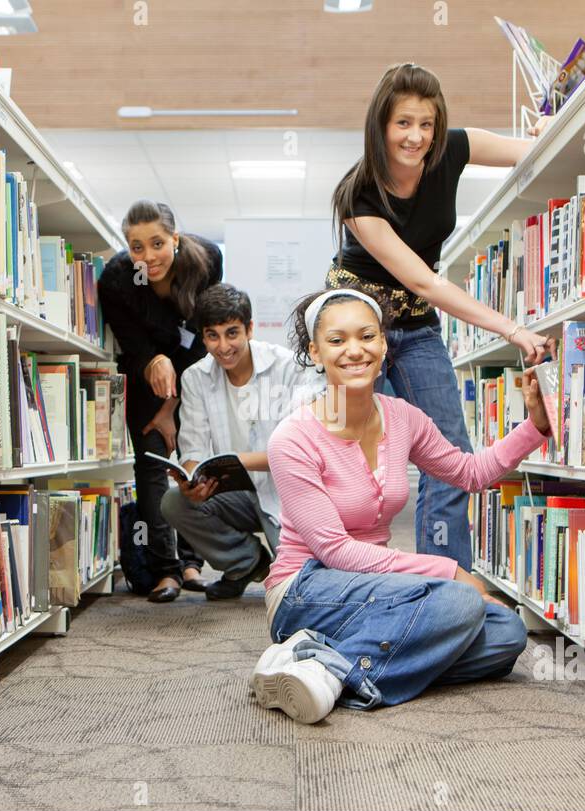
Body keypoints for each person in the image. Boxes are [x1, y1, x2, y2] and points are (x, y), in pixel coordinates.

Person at [250, 289, 552, 724]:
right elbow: (335, 551)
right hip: (307, 589)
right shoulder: (293, 438)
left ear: (385, 344)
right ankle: (337, 662)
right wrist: (450, 571)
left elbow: (469, 473)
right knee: (457, 606)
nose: (355, 350)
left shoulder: (403, 417)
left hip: (379, 590)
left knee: (507, 635)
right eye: (337, 341)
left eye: (367, 336)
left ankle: (320, 665)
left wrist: (536, 426)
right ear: (315, 353)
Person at [328, 62, 556, 573]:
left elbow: (534, 151)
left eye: (426, 124)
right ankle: (351, 582)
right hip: (359, 330)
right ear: (380, 125)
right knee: (355, 458)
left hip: (417, 326)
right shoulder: (358, 194)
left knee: (451, 455)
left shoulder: (454, 147)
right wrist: (511, 328)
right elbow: (425, 281)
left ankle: (447, 585)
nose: (416, 137)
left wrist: (546, 129)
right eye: (403, 123)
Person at [162, 283, 323, 601]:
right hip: (232, 493)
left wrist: (239, 459)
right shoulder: (195, 377)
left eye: (232, 333)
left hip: (286, 494)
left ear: (250, 329)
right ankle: (246, 562)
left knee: (304, 588)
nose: (223, 347)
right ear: (203, 336)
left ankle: (282, 563)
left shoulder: (289, 368)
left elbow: (299, 449)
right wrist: (192, 478)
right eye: (212, 335)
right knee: (174, 502)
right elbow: (192, 445)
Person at [98, 200, 222, 603]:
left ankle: (191, 563)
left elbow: (203, 337)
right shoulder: (116, 280)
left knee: (193, 463)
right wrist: (155, 362)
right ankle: (164, 570)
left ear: (175, 238)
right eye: (136, 247)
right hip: (146, 374)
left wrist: (174, 406)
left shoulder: (206, 262)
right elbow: (132, 345)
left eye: (156, 243)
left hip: (193, 372)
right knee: (152, 467)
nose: (148, 257)